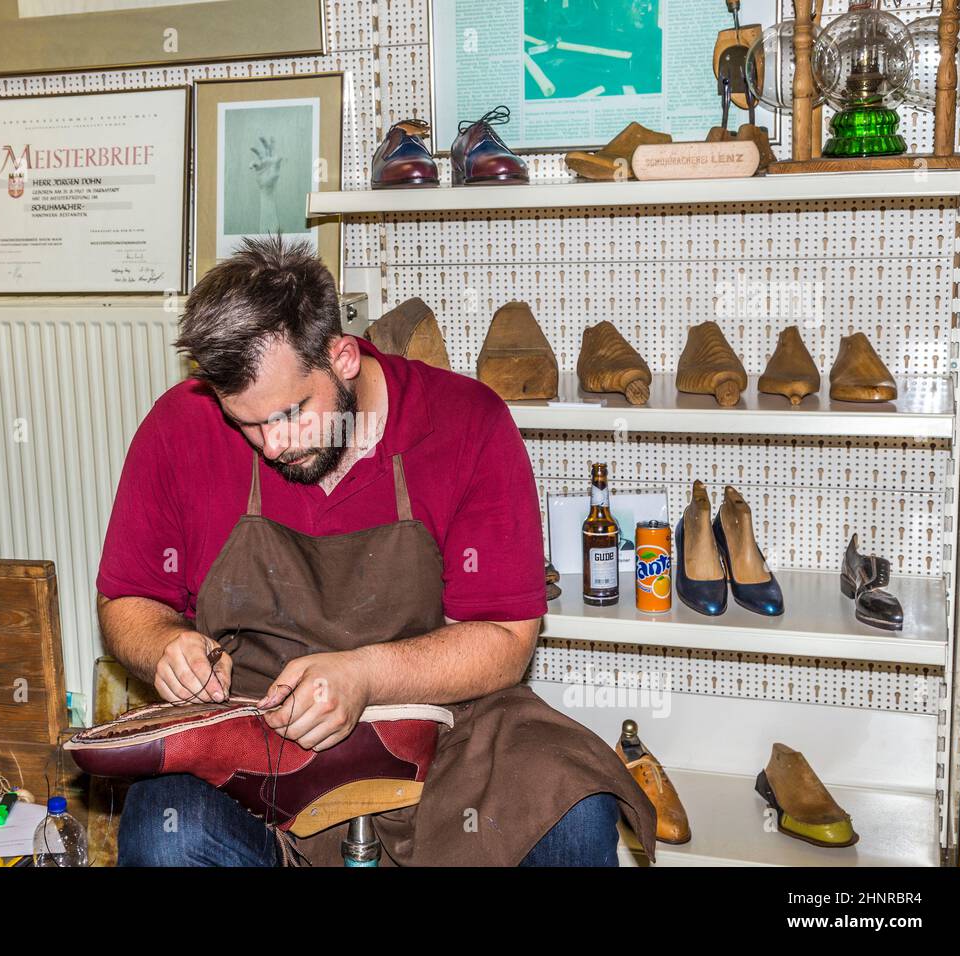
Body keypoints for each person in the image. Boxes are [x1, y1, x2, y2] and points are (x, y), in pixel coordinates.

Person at [96, 235, 655, 866]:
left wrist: (364, 674)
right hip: (252, 744)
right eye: (245, 423)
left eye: (290, 413)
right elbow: (128, 601)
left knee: (574, 809)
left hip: (442, 732)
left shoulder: (467, 423)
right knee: (164, 832)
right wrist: (164, 644)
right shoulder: (178, 430)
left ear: (342, 358)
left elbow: (505, 639)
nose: (273, 445)